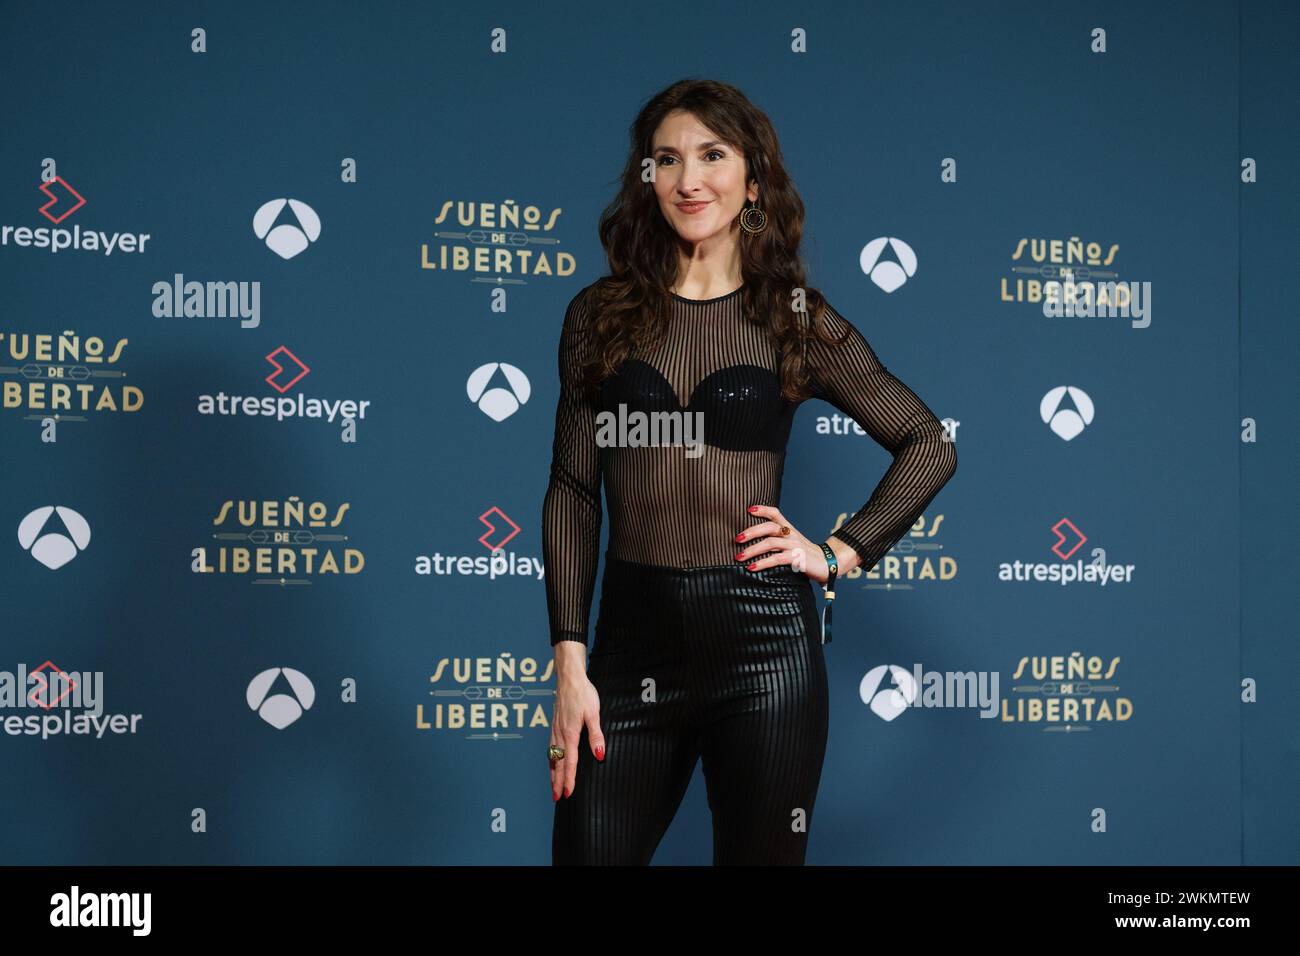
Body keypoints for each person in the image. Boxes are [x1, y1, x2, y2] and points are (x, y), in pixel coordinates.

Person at [543, 78, 957, 865]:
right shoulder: (598, 316)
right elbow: (572, 491)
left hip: (765, 652)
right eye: (666, 159)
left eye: (712, 155)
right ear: (646, 178)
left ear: (753, 179)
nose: (688, 179)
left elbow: (928, 442)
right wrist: (571, 665)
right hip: (630, 652)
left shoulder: (791, 318)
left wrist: (837, 552)